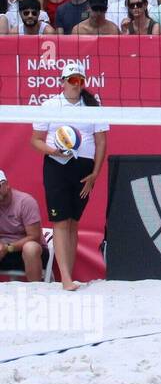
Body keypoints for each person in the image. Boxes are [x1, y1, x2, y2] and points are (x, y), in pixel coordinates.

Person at [30, 62, 107, 291]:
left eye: (81, 81)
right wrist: (54, 150)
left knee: (74, 222)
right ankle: (64, 277)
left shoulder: (93, 105)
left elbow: (102, 142)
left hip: (83, 169)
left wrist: (95, 174)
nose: (77, 85)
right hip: (57, 165)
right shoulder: (50, 105)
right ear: (62, 82)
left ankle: (69, 275)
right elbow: (35, 140)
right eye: (73, 80)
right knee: (60, 221)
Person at [0, 168, 45, 283]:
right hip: (4, 250)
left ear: (6, 185)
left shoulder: (25, 202)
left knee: (30, 247)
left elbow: (34, 236)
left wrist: (8, 247)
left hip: (30, 250)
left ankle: (36, 290)